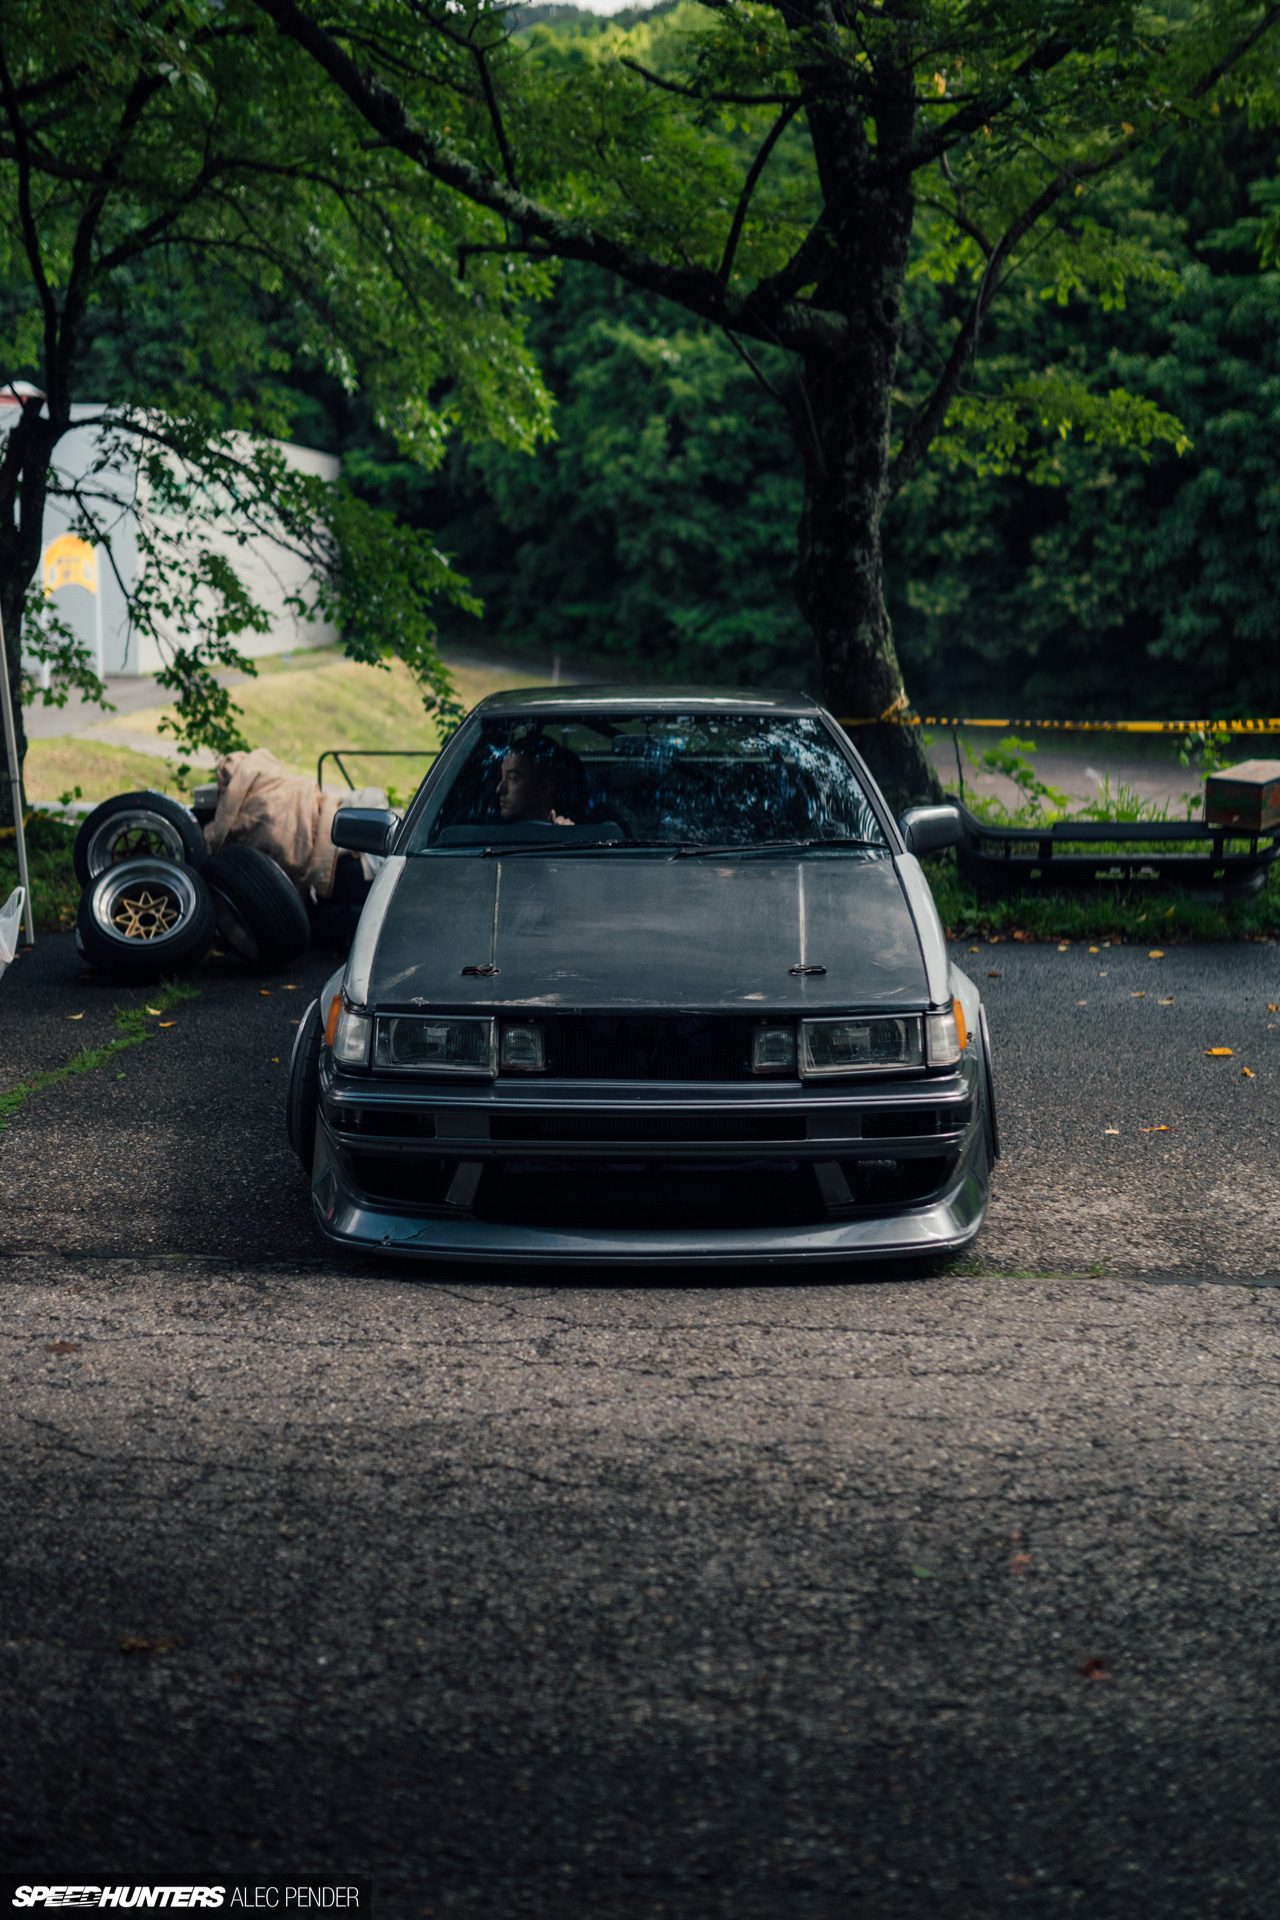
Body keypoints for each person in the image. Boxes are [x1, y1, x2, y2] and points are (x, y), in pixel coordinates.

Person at [495, 736, 582, 825]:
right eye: (502, 776)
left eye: (512, 778)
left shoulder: (585, 833)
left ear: (545, 787)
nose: (499, 789)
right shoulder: (486, 828)